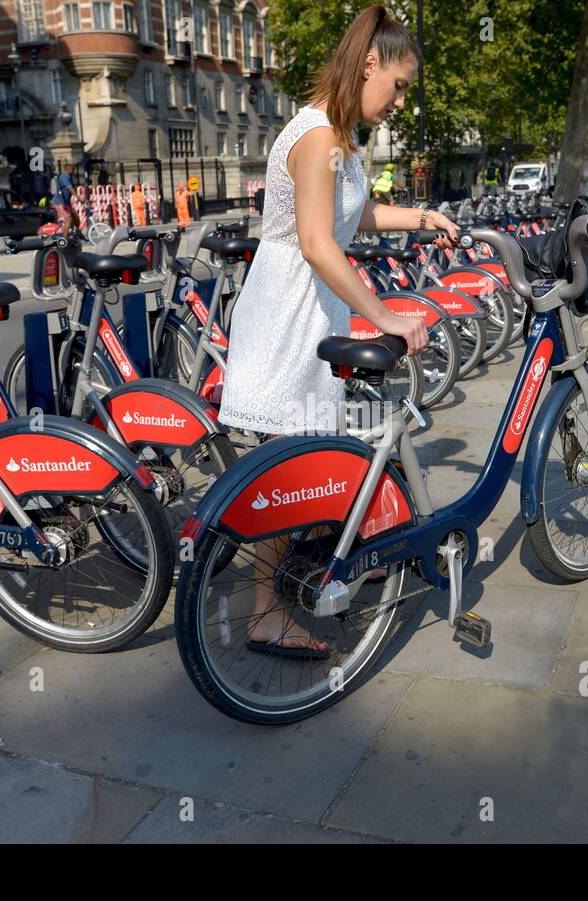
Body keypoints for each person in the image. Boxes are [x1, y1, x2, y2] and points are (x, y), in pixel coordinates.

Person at [216, 4, 453, 657]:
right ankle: (265, 611)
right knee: (288, 470)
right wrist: (385, 317)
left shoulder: (339, 138)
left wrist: (422, 216)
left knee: (315, 452)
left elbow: (359, 214)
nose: (401, 100)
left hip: (312, 313)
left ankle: (343, 551)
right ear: (368, 62)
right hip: (289, 315)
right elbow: (320, 243)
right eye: (398, 84)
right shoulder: (317, 136)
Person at [51, 163, 77, 233]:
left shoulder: (70, 177)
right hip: (60, 202)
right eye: (72, 169)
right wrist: (77, 197)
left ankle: (78, 234)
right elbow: (69, 188)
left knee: (75, 217)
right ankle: (65, 238)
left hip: (66, 202)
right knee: (69, 219)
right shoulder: (64, 176)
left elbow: (73, 187)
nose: (74, 170)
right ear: (68, 169)